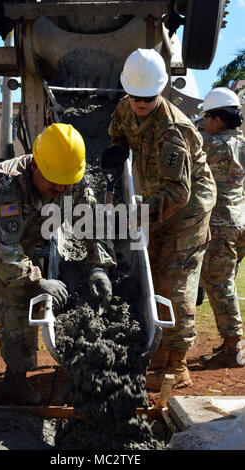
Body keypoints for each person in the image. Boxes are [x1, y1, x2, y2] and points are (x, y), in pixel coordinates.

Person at [0, 123, 116, 405]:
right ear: (35, 165)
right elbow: (1, 251)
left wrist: (98, 266)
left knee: (22, 299)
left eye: (67, 182)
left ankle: (16, 379)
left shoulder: (71, 182)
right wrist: (38, 280)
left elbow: (91, 223)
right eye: (53, 180)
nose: (60, 188)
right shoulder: (3, 186)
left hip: (11, 251)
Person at [100, 48, 216, 391]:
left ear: (160, 91)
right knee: (147, 272)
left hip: (189, 206)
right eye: (135, 97)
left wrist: (139, 212)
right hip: (154, 199)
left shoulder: (174, 131)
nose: (140, 104)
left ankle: (176, 365)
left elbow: (179, 193)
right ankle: (153, 350)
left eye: (148, 99)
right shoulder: (125, 107)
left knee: (173, 282)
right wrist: (117, 147)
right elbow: (118, 130)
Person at [199, 87, 245, 368]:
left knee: (219, 284)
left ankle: (233, 345)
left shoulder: (213, 145)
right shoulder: (241, 143)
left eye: (206, 117)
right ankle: (230, 342)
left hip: (221, 226)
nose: (204, 122)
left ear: (217, 120)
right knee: (224, 280)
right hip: (240, 223)